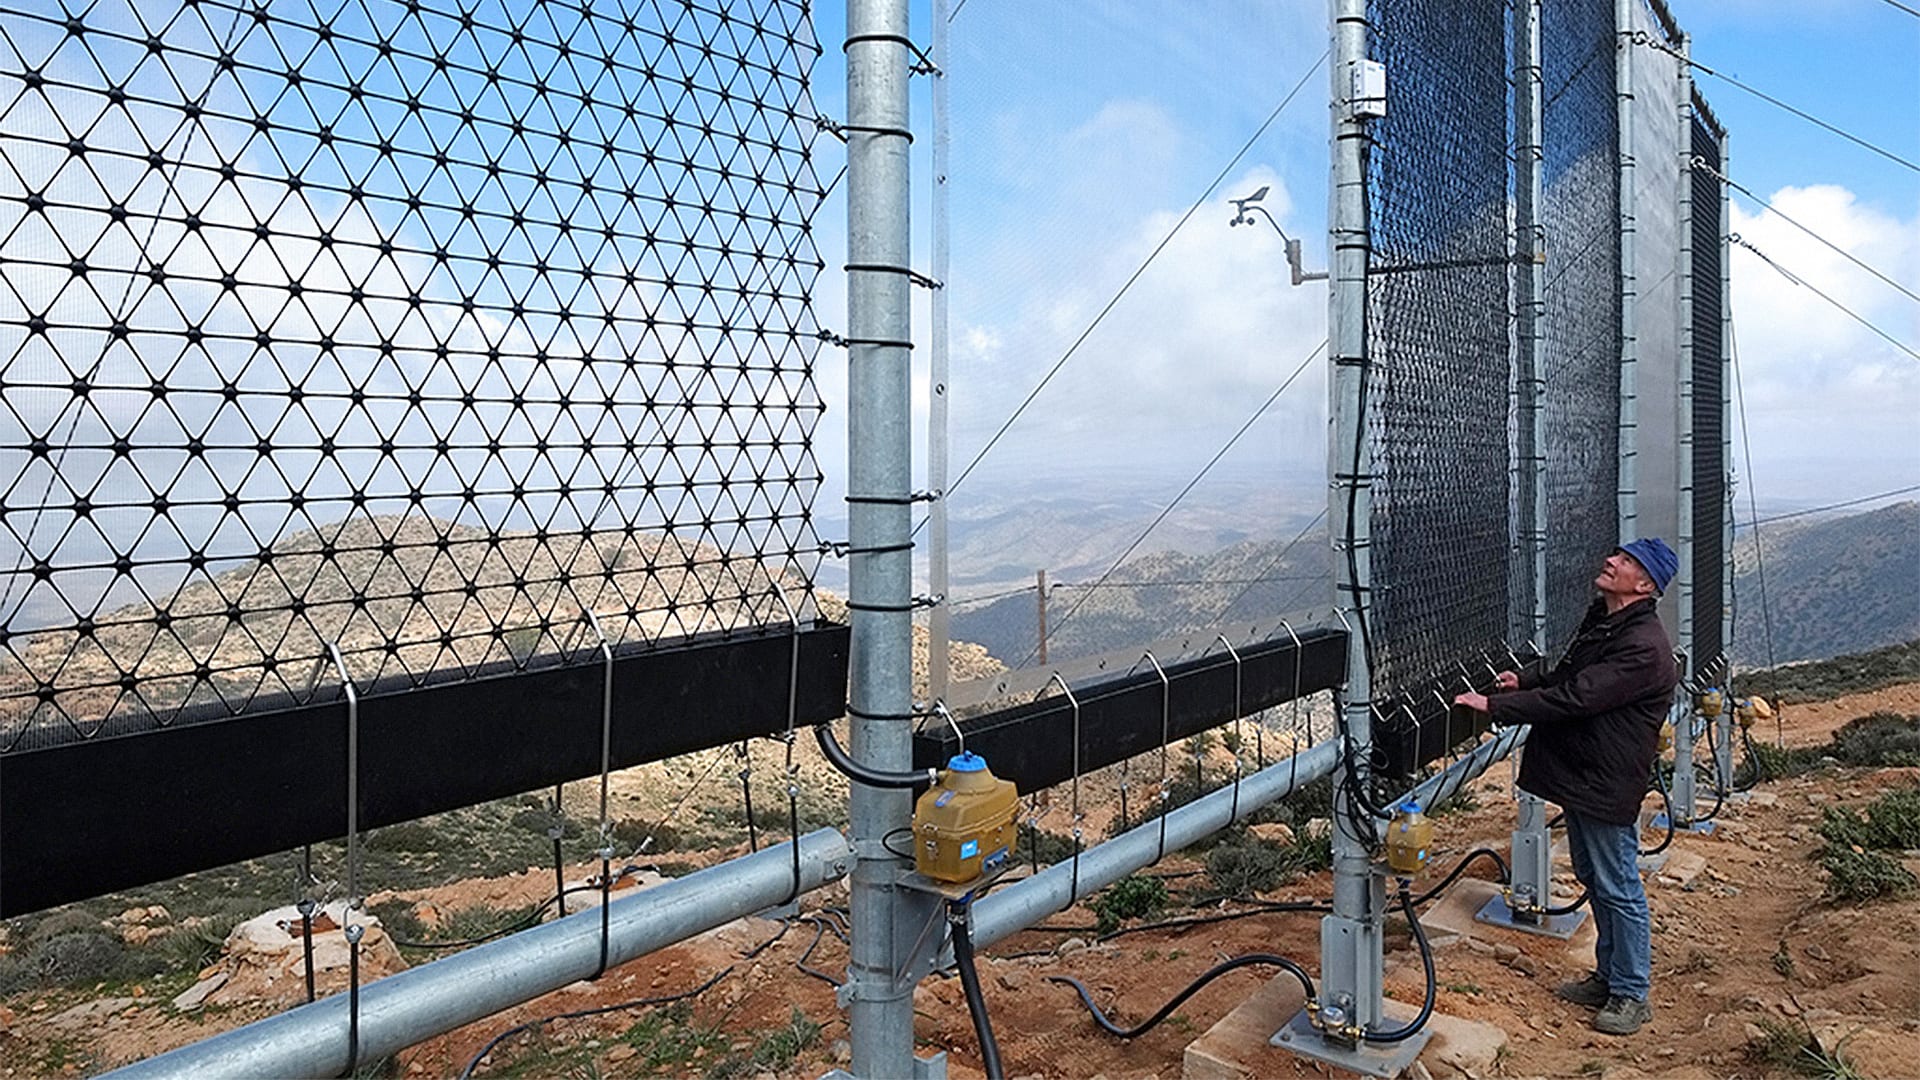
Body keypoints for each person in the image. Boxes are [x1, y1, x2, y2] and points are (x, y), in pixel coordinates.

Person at [1454, 538, 1681, 1036]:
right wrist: (1527, 682)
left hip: (1604, 779)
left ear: (1645, 585)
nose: (1612, 561)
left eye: (1625, 561)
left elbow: (1579, 697)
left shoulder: (1643, 646)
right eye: (1618, 554)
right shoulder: (1607, 619)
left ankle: (1631, 993)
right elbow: (1571, 674)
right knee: (1597, 876)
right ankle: (1610, 977)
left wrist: (1497, 708)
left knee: (1617, 884)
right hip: (1587, 774)